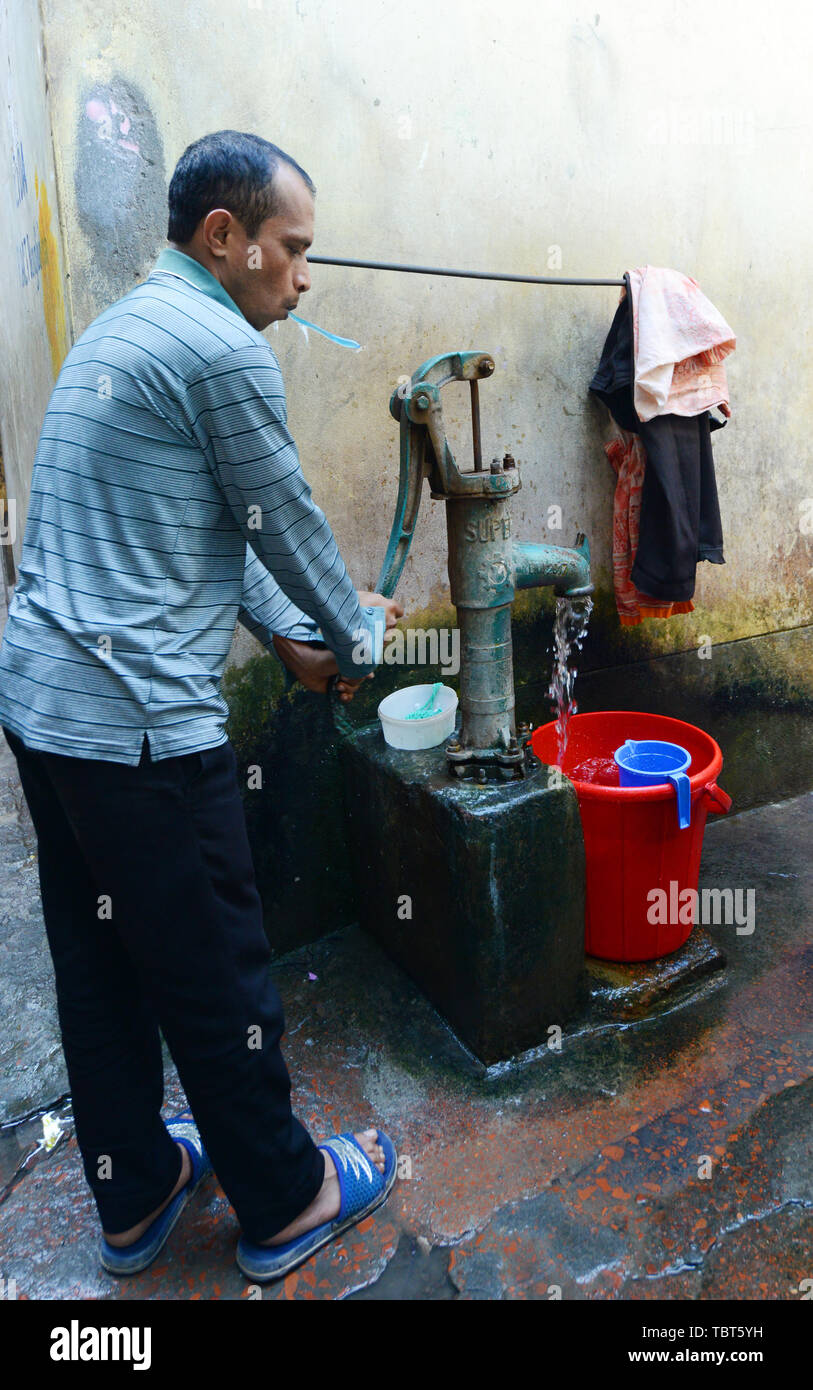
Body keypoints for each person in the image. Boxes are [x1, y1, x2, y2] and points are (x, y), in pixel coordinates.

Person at [0, 129, 403, 1284]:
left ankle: (136, 1193)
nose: (304, 277)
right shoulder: (225, 349)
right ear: (223, 237)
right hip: (135, 728)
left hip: (41, 708)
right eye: (293, 248)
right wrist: (357, 635)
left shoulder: (123, 330)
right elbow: (284, 516)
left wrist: (285, 633)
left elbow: (208, 538)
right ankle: (287, 1196)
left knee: (102, 954)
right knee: (219, 973)